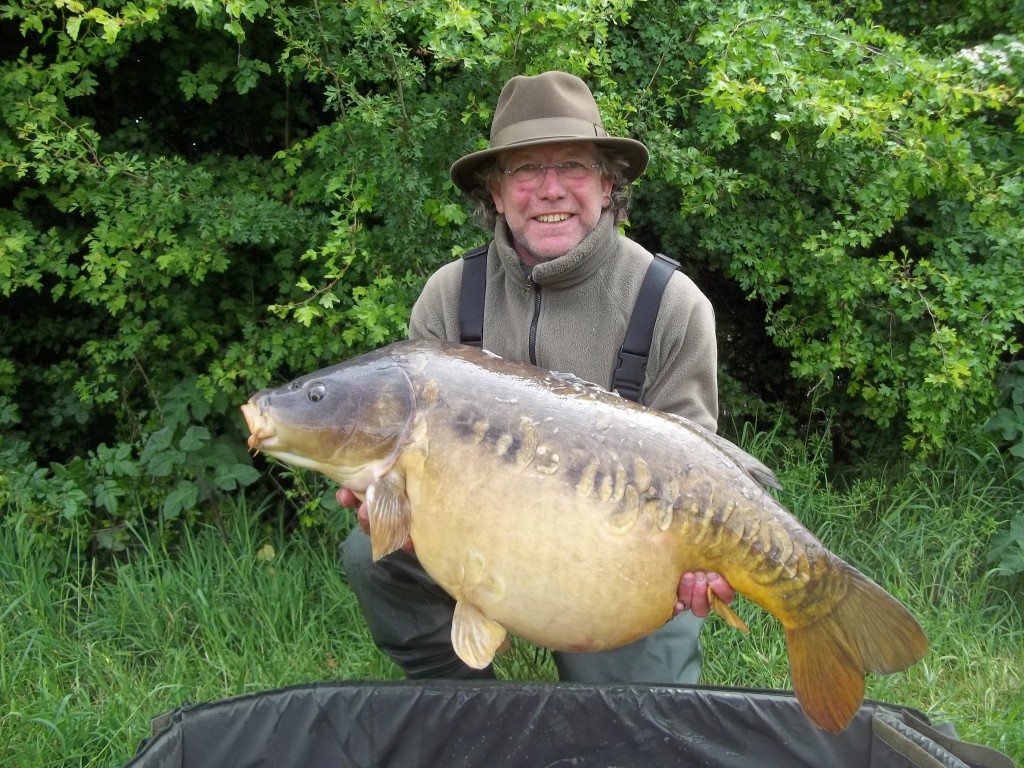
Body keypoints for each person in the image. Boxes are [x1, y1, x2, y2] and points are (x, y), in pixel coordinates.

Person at [338, 70, 735, 683]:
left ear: (608, 186)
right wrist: (389, 503)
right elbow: (407, 464)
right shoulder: (450, 296)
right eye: (526, 170)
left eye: (573, 166)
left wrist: (705, 558)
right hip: (477, 537)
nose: (551, 190)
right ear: (496, 193)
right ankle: (462, 700)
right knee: (371, 553)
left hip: (617, 556)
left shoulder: (673, 303)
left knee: (634, 727)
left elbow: (695, 475)